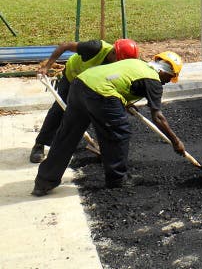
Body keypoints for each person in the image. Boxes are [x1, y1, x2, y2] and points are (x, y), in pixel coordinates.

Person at [32, 52, 186, 195]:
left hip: (81, 83)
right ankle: (117, 179)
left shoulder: (137, 63)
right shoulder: (153, 80)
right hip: (100, 93)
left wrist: (122, 102)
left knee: (68, 134)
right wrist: (176, 141)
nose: (167, 82)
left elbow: (118, 80)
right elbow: (158, 117)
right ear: (165, 71)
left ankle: (44, 181)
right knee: (118, 132)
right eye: (169, 78)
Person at [29, 38, 140, 163]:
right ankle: (40, 144)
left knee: (99, 112)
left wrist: (126, 102)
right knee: (60, 109)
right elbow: (65, 46)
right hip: (73, 76)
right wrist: (47, 66)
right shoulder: (95, 47)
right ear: (114, 52)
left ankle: (104, 147)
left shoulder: (120, 63)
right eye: (120, 61)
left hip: (94, 85)